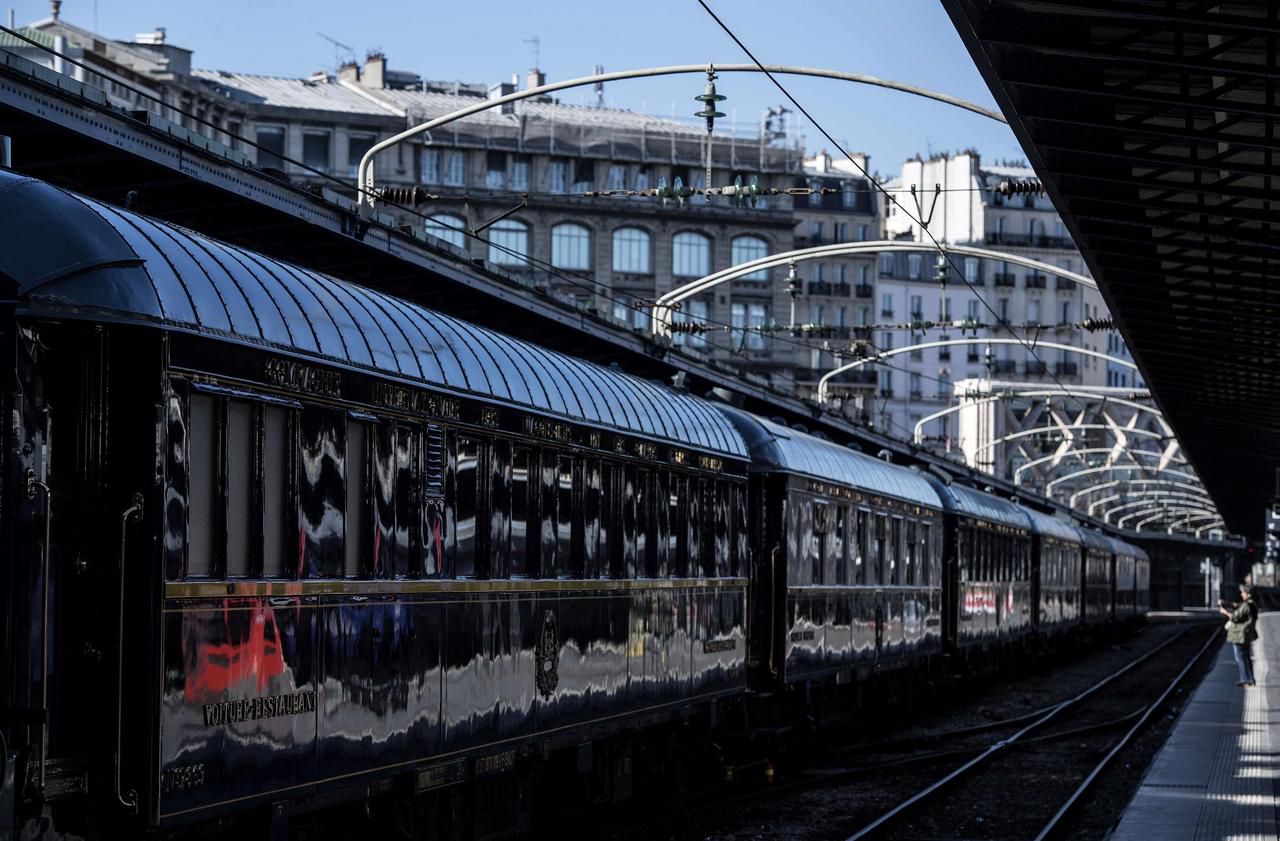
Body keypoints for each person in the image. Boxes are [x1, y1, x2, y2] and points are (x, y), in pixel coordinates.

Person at [1219, 584, 1259, 687]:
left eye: (1243, 592)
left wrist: (1225, 612)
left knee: (1240, 658)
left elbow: (1234, 617)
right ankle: (1251, 679)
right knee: (1246, 657)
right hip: (1246, 634)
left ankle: (1244, 679)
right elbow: (1237, 606)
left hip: (1240, 634)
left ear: (1248, 594)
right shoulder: (1251, 604)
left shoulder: (1246, 605)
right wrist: (1227, 603)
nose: (1241, 594)